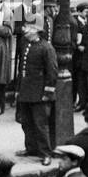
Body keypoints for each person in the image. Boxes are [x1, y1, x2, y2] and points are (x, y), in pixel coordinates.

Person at [16, 24, 57, 164]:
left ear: (36, 31)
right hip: (26, 91)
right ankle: (31, 148)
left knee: (41, 124)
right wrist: (18, 89)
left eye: (28, 28)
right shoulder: (26, 44)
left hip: (39, 93)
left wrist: (48, 92)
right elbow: (22, 69)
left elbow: (52, 72)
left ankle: (46, 153)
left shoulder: (46, 47)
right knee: (26, 122)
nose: (25, 31)